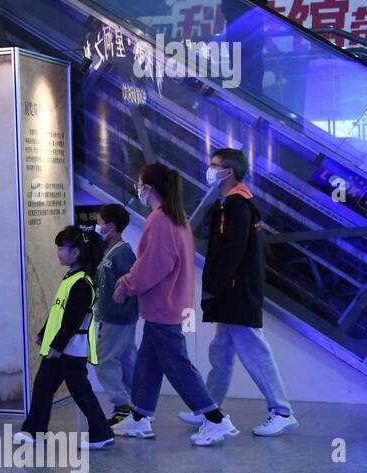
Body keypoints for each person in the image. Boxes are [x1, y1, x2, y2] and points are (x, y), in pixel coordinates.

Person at [111, 163, 239, 446]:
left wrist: (126, 286)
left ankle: (215, 420)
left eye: (140, 184)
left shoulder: (159, 220)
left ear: (150, 188)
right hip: (172, 303)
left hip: (162, 305)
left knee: (177, 365)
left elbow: (152, 266)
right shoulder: (177, 217)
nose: (138, 189)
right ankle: (140, 417)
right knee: (149, 360)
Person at [178, 147, 298, 436]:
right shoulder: (230, 204)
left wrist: (214, 286)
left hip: (236, 292)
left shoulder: (237, 206)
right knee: (221, 352)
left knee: (255, 351)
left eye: (214, 164)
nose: (210, 168)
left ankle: (282, 411)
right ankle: (210, 408)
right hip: (232, 292)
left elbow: (232, 251)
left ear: (227, 172)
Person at [16, 226, 115, 449]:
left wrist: (58, 345)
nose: (58, 252)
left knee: (79, 391)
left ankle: (101, 434)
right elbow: (58, 311)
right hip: (63, 349)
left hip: (69, 350)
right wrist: (44, 334)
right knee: (44, 387)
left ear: (76, 252)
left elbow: (72, 319)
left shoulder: (82, 282)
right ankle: (34, 431)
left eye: (62, 248)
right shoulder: (72, 277)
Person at [93, 204, 138, 424]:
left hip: (117, 318)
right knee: (127, 361)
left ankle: (122, 405)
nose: (97, 226)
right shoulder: (107, 250)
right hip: (115, 317)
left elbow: (133, 283)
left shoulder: (124, 253)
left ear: (110, 226)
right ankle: (138, 408)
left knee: (103, 361)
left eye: (100, 222)